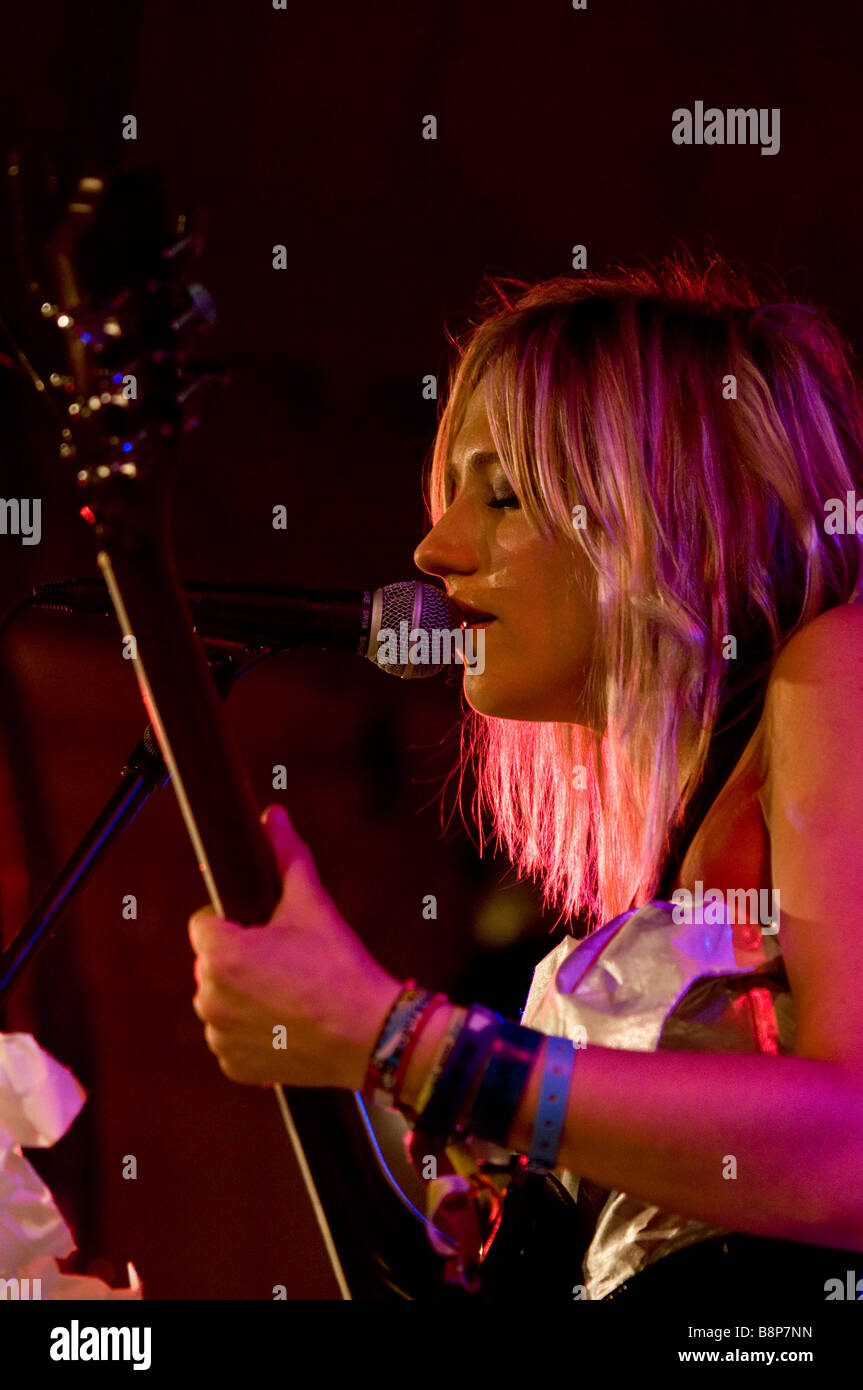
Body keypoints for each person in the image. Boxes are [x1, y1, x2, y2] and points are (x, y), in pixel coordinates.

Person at [187, 256, 863, 1301]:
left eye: (503, 495)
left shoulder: (839, 668)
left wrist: (404, 1043)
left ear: (664, 516)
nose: (434, 547)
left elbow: (849, 1147)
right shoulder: (688, 839)